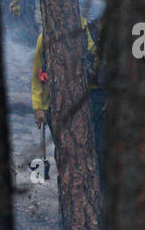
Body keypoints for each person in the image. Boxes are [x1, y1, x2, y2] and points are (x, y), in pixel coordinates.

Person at [31, 14, 105, 191]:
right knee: (67, 156)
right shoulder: (45, 38)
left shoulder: (94, 35)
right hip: (58, 105)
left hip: (93, 102)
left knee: (99, 153)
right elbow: (38, 77)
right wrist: (38, 107)